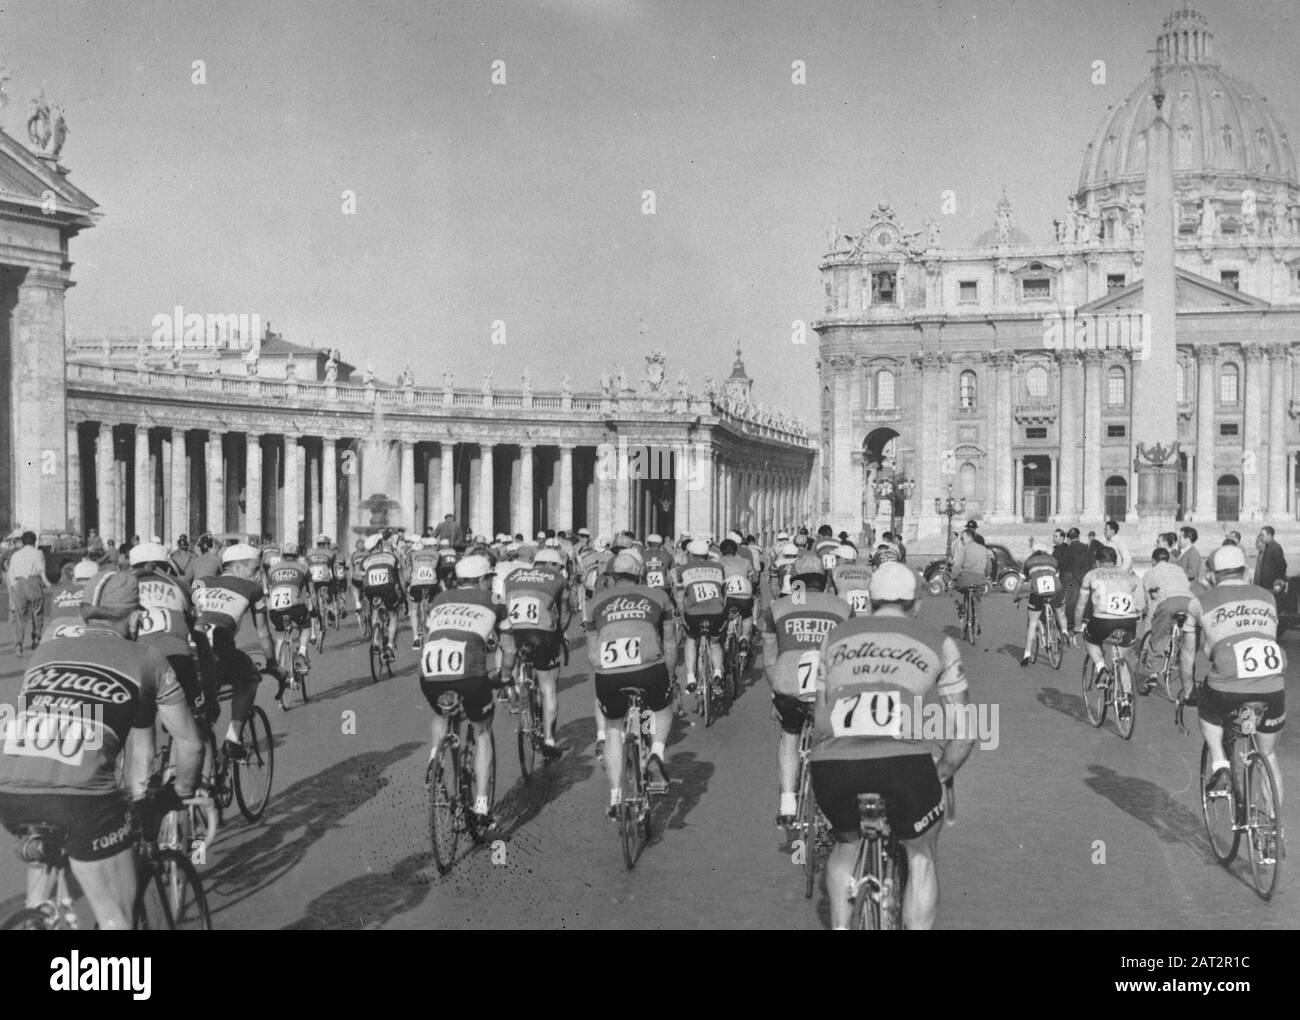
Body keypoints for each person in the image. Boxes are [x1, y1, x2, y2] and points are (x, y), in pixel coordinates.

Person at [0, 571, 204, 930]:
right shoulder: (148, 657)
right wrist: (179, 793)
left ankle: (37, 912)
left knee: (45, 850)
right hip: (82, 800)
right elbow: (189, 743)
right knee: (116, 915)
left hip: (11, 792)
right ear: (136, 617)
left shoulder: (45, 651)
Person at [810, 562, 975, 930]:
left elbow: (820, 718)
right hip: (904, 765)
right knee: (921, 856)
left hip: (835, 763)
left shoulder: (835, 638)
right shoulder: (938, 642)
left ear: (869, 602)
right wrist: (944, 770)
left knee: (844, 844)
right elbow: (965, 730)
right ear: (917, 604)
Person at [1182, 544, 1286, 810]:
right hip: (1271, 683)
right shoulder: (1267, 597)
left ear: (1213, 576)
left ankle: (1220, 765)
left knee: (1207, 708)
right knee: (1268, 753)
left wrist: (1188, 690)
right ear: (1246, 571)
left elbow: (1188, 654)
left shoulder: (1199, 602)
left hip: (1228, 683)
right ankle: (1273, 825)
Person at [759, 551, 850, 827]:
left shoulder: (777, 608)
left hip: (789, 688)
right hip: (829, 690)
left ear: (795, 580)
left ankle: (788, 801)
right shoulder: (842, 607)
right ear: (824, 580)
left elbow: (769, 661)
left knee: (790, 734)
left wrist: (776, 690)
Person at [586, 549, 676, 817]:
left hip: (609, 674)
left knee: (614, 727)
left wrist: (604, 674)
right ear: (640, 575)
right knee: (661, 708)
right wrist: (670, 676)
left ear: (611, 578)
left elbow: (592, 653)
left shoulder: (595, 602)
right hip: (648, 670)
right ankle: (656, 752)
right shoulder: (659, 596)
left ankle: (616, 797)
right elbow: (670, 643)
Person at [421, 554, 506, 830]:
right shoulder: (493, 599)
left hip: (431, 673)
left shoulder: (439, 598)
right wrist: (505, 675)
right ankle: (481, 805)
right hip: (469, 674)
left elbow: (430, 633)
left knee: (442, 714)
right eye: (488, 579)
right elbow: (510, 646)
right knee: (482, 731)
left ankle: (435, 756)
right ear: (482, 580)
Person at [192, 543, 283, 759]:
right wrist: (272, 664)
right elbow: (263, 632)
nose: (258, 575)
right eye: (254, 569)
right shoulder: (252, 588)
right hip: (217, 650)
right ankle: (233, 739)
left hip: (189, 650)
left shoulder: (201, 583)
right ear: (238, 567)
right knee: (250, 677)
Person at [501, 547, 569, 761]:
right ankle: (549, 739)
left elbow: (503, 604)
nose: (560, 570)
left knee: (511, 652)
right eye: (558, 566)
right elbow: (565, 613)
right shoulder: (558, 579)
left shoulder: (512, 575)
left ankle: (515, 688)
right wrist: (559, 636)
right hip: (541, 634)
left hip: (513, 630)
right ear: (550, 564)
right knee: (549, 686)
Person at [130, 542, 205, 722]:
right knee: (193, 725)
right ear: (167, 566)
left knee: (142, 727)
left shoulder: (122, 587)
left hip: (136, 662)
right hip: (176, 657)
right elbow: (201, 639)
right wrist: (209, 695)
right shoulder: (180, 585)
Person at [1074, 544, 1145, 720]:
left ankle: (1100, 667)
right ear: (1115, 561)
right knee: (1123, 661)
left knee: (1089, 638)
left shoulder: (1092, 574)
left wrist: (1076, 626)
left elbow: (1081, 604)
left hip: (1103, 621)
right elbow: (1140, 603)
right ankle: (1125, 703)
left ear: (1098, 562)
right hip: (1128, 621)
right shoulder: (1128, 575)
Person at [676, 537, 726, 697]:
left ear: (691, 554)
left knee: (691, 639)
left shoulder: (683, 569)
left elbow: (679, 596)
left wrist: (681, 613)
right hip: (716, 612)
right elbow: (723, 592)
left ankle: (691, 677)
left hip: (693, 613)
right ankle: (717, 673)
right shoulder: (718, 567)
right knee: (715, 642)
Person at [265, 542, 316, 693]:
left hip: (274, 610)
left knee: (280, 635)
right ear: (297, 556)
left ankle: (280, 668)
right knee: (306, 627)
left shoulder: (272, 569)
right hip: (295, 608)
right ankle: (301, 652)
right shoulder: (303, 568)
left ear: (282, 555)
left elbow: (271, 589)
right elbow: (312, 593)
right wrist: (315, 610)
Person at [1140, 546, 1192, 695]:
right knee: (1186, 633)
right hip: (1189, 602)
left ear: (1153, 560)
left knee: (1158, 636)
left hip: (1169, 603)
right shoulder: (1179, 569)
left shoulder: (1152, 572)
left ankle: (1152, 673)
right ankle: (1178, 657)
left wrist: (1143, 610)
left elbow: (1144, 595)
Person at [1013, 539, 1068, 667]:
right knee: (1060, 612)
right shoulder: (1053, 560)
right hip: (1055, 592)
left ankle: (1027, 654)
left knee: (1032, 622)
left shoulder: (1028, 562)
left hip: (1038, 594)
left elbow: (1020, 582)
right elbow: (1057, 576)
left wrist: (1015, 597)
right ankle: (1064, 632)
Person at [360, 532, 403, 659]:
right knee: (393, 614)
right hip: (388, 588)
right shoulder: (391, 556)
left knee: (375, 609)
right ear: (379, 545)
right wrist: (402, 593)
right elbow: (399, 578)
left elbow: (363, 579)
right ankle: (389, 645)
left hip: (371, 590)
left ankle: (374, 641)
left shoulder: (365, 560)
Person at [7, 531, 48, 656]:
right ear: (34, 541)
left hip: (19, 583)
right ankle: (36, 638)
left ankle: (19, 645)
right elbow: (41, 570)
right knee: (37, 612)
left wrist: (15, 586)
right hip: (34, 582)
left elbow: (11, 573)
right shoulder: (38, 553)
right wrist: (46, 583)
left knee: (19, 616)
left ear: (22, 542)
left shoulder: (16, 555)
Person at [719, 537, 759, 656]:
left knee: (725, 615)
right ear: (736, 550)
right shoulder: (745, 562)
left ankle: (726, 639)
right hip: (744, 594)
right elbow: (752, 580)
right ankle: (744, 637)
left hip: (728, 595)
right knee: (746, 615)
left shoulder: (718, 562)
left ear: (721, 550)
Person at [43, 560, 98, 643]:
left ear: (74, 579)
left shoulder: (58, 593)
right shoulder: (98, 593)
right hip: (84, 637)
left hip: (52, 638)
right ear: (96, 579)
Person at [949, 527, 992, 629]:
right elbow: (989, 566)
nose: (961, 541)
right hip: (980, 580)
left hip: (965, 578)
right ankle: (977, 622)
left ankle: (961, 606)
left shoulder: (964, 548)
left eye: (962, 538)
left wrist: (953, 578)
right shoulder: (983, 549)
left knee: (952, 588)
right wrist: (986, 575)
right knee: (977, 599)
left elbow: (957, 565)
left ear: (968, 537)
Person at [1059, 527, 1093, 631]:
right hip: (1085, 577)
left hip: (1072, 578)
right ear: (1078, 536)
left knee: (1071, 601)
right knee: (1085, 600)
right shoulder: (1086, 548)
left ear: (1068, 538)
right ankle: (1085, 620)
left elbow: (1063, 565)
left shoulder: (1068, 549)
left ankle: (1071, 623)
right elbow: (1090, 563)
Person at [829, 543, 873, 617]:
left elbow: (831, 595)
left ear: (843, 558)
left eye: (836, 558)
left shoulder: (834, 571)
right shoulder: (869, 570)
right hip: (867, 613)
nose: (835, 561)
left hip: (843, 613)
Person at [1253, 526, 1287, 592]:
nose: (1261, 537)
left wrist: (1277, 583)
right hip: (1265, 585)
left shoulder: (1275, 547)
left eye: (1262, 535)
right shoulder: (1267, 547)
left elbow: (1282, 566)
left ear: (1269, 535)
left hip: (1271, 586)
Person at [1177, 526, 1205, 591]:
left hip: (1190, 589)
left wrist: (1175, 575)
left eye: (1180, 537)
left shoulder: (1193, 553)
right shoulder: (1184, 551)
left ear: (1187, 540)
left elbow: (1192, 574)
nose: (1178, 540)